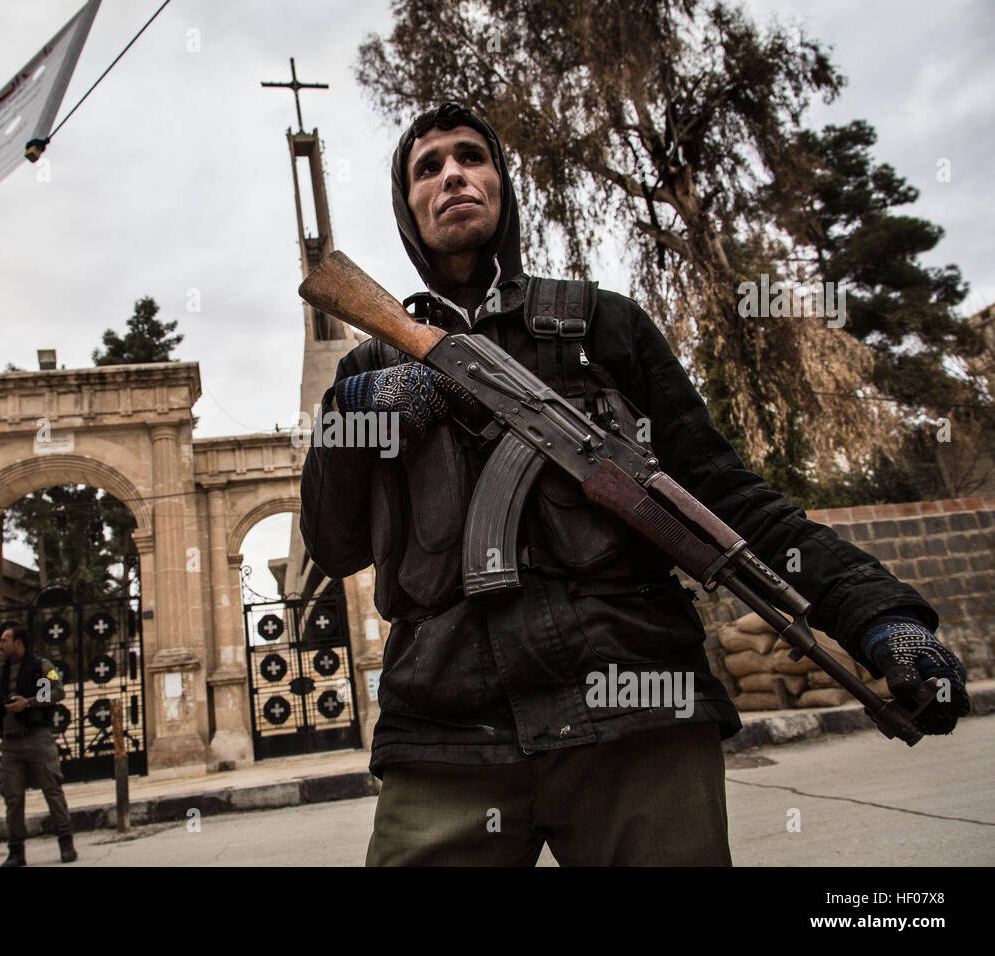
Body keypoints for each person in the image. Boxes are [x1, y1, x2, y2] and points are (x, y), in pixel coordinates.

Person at [298, 101, 970, 866]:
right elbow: (333, 542)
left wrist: (876, 615)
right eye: (428, 167)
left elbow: (727, 495)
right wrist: (356, 418)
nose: (453, 173)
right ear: (407, 207)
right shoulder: (369, 366)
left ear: (502, 186)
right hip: (447, 734)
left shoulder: (599, 326)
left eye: (471, 156)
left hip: (638, 707)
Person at [0, 625, 77, 866]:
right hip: (11, 744)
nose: (0, 645)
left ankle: (66, 842)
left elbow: (56, 692)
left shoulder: (41, 667)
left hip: (37, 738)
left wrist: (29, 703)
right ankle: (16, 852)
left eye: (4, 640)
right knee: (12, 798)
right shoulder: (0, 674)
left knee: (52, 791)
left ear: (18, 643)